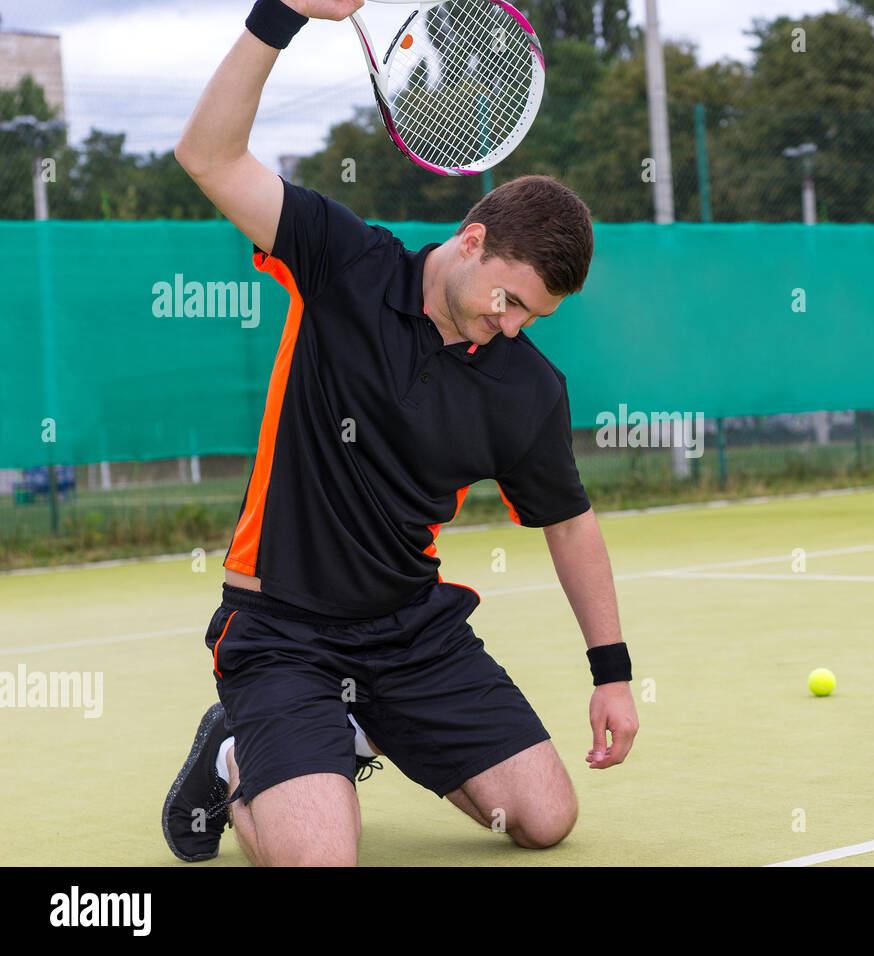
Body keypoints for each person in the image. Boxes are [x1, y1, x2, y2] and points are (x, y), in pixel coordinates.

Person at [161, 0, 638, 866]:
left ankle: (359, 732)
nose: (516, 325)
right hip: (283, 630)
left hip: (412, 633)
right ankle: (239, 757)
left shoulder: (526, 387)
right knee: (323, 862)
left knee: (544, 818)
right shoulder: (344, 264)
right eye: (511, 299)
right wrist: (282, 16)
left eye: (536, 315)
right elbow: (208, 156)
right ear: (472, 240)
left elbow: (568, 521)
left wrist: (613, 672)